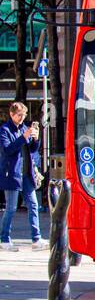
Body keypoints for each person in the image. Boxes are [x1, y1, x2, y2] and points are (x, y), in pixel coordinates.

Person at [1, 101, 46, 252]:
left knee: (33, 205)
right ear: (12, 114)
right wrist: (24, 137)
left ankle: (36, 239)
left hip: (26, 173)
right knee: (11, 208)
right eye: (19, 115)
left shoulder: (25, 128)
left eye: (24, 115)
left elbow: (32, 150)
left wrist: (36, 138)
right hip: (13, 175)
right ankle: (5, 239)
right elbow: (8, 150)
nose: (22, 118)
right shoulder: (5, 130)